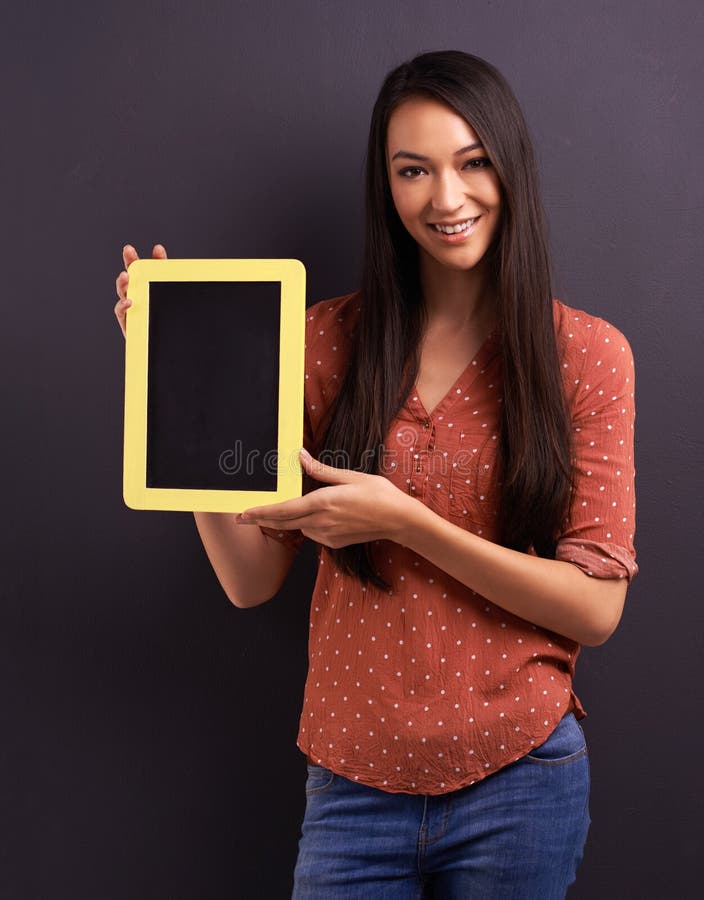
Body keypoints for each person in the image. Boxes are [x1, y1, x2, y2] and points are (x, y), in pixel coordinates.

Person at [114, 49, 638, 900]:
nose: (446, 197)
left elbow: (597, 607)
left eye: (473, 162)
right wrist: (178, 374)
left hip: (521, 780)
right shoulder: (320, 344)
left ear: (511, 166)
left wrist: (408, 523)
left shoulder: (587, 355)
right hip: (352, 787)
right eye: (413, 170)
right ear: (385, 185)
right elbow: (250, 582)